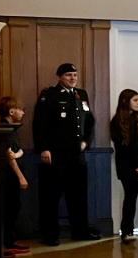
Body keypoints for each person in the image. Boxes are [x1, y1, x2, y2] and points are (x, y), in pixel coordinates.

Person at [33, 63, 98, 245]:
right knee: (51, 197)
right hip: (56, 154)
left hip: (77, 154)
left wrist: (86, 141)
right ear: (60, 77)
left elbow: (89, 122)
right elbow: (40, 124)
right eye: (69, 75)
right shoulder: (50, 95)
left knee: (78, 196)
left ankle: (80, 231)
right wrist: (43, 148)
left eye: (75, 75)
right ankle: (51, 235)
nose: (73, 78)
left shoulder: (81, 95)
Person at [110, 89, 138, 244]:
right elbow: (121, 146)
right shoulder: (117, 121)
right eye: (135, 100)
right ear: (126, 102)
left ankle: (128, 229)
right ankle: (127, 230)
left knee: (132, 197)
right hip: (126, 165)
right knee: (129, 197)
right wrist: (134, 162)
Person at [0, 97, 30, 258]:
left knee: (14, 206)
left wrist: (17, 153)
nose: (23, 112)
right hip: (8, 175)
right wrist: (21, 177)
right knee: (9, 208)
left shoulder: (13, 128)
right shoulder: (4, 129)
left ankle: (11, 239)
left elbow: (17, 151)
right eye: (20, 109)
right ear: (11, 112)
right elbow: (9, 156)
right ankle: (7, 242)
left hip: (11, 174)